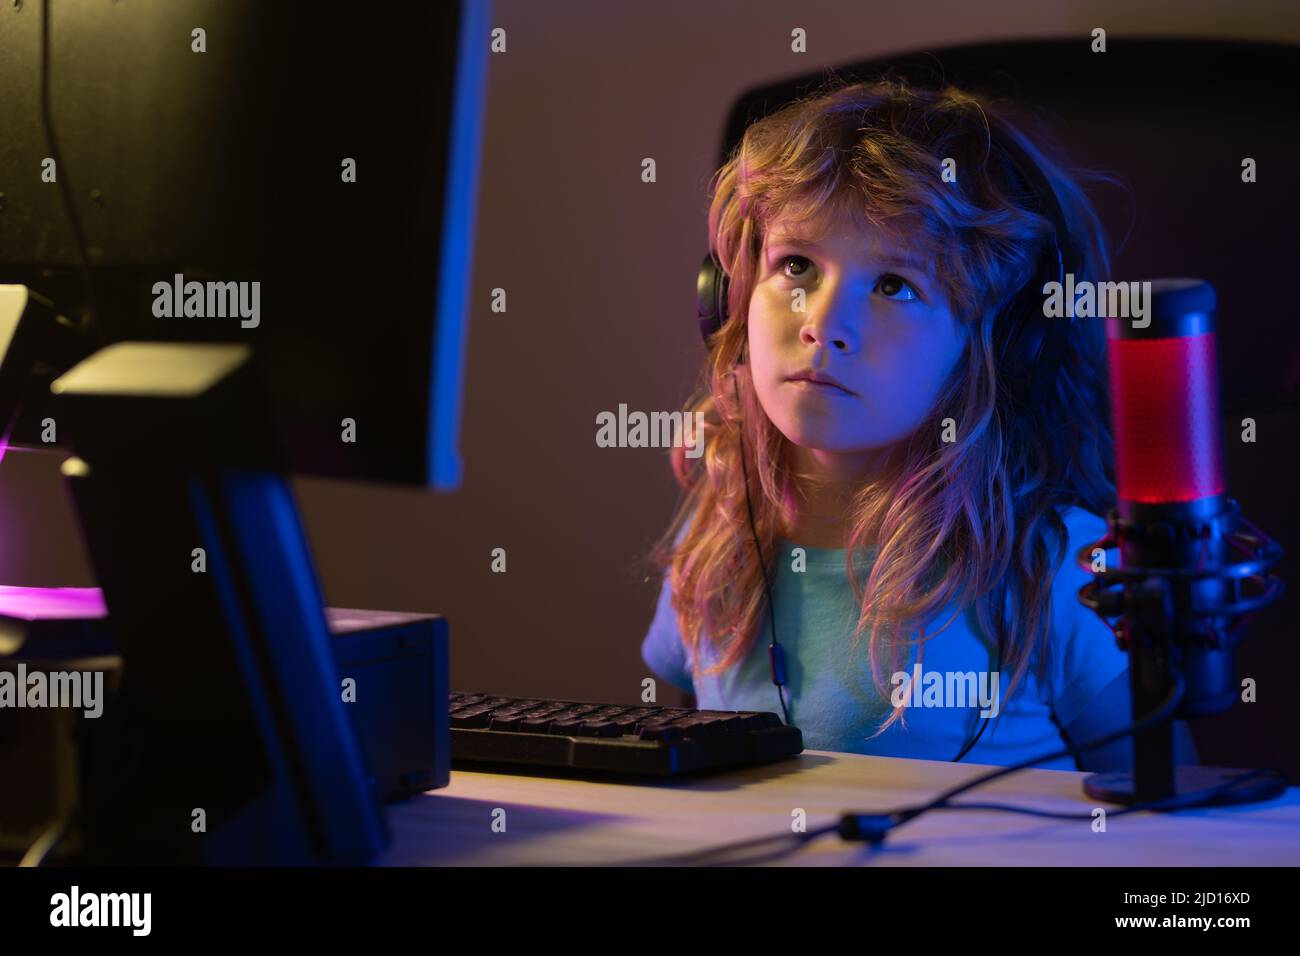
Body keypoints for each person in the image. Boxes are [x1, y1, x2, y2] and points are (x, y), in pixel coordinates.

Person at [641, 76, 1197, 770]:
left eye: (894, 285)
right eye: (796, 265)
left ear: (995, 342)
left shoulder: (1061, 573)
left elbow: (1178, 826)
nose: (823, 324)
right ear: (730, 298)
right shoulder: (717, 544)